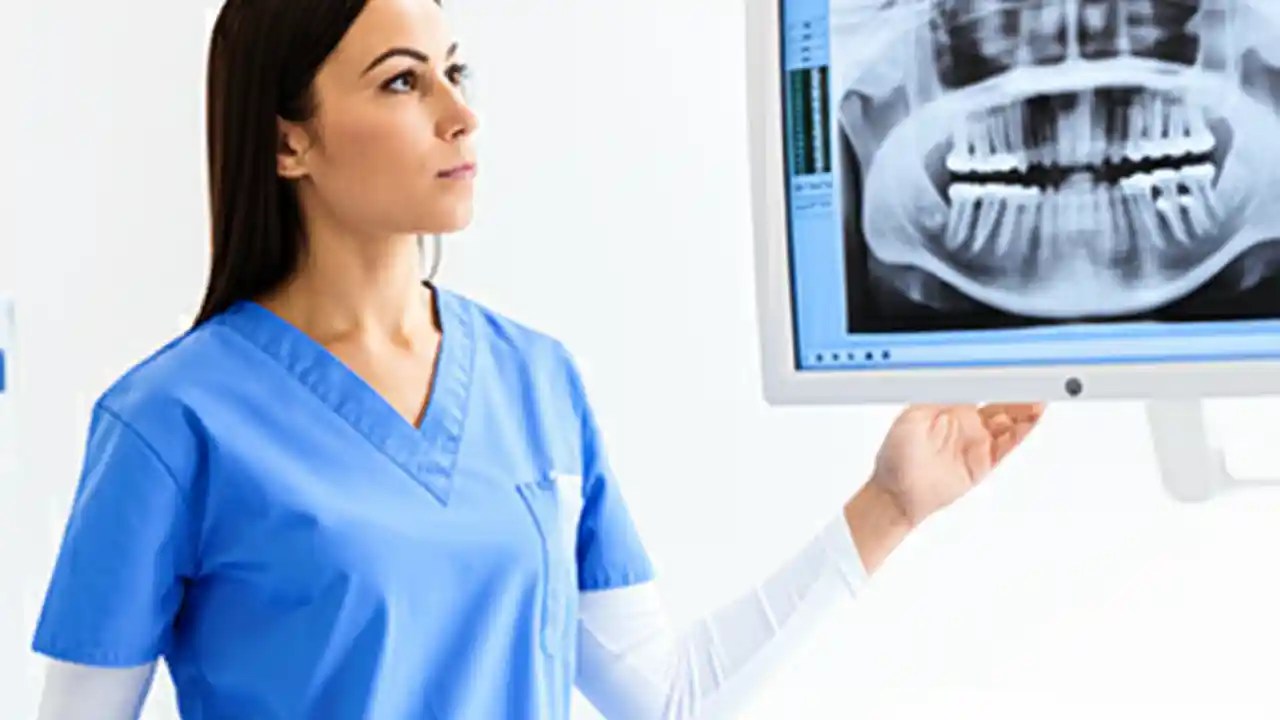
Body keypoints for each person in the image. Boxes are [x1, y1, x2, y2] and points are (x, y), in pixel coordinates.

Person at [28, 0, 1046, 718]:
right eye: (399, 81)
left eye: (453, 71)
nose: (457, 111)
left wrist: (889, 506)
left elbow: (669, 698)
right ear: (288, 141)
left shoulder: (535, 382)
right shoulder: (172, 422)